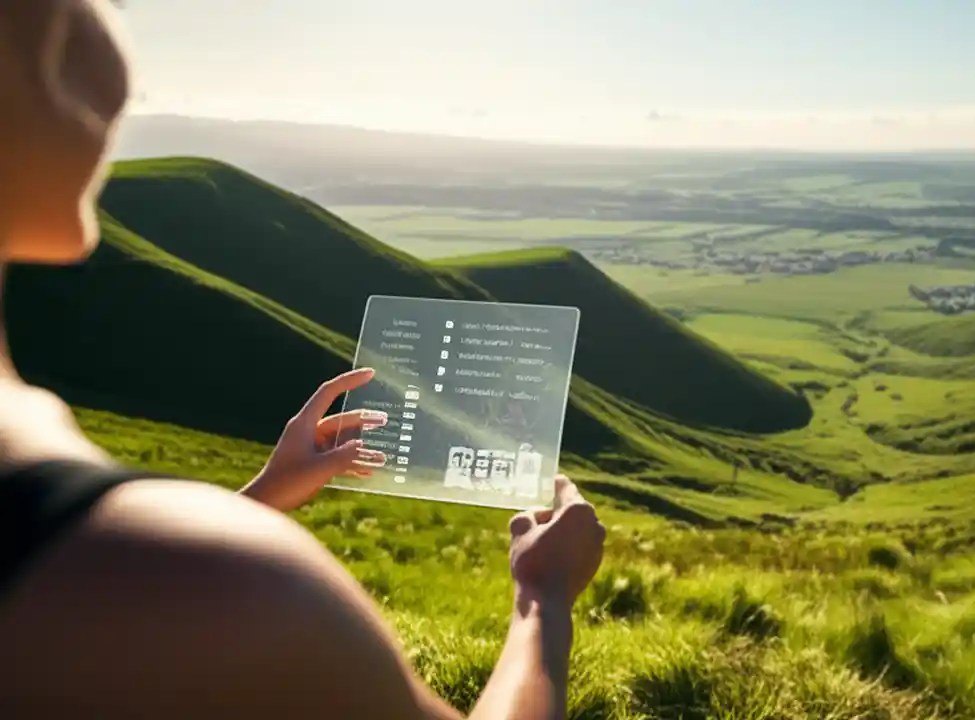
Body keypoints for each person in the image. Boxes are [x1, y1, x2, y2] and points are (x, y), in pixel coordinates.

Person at [0, 2, 606, 717]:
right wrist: (542, 599)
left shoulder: (114, 565)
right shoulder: (231, 588)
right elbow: (143, 592)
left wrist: (260, 496)